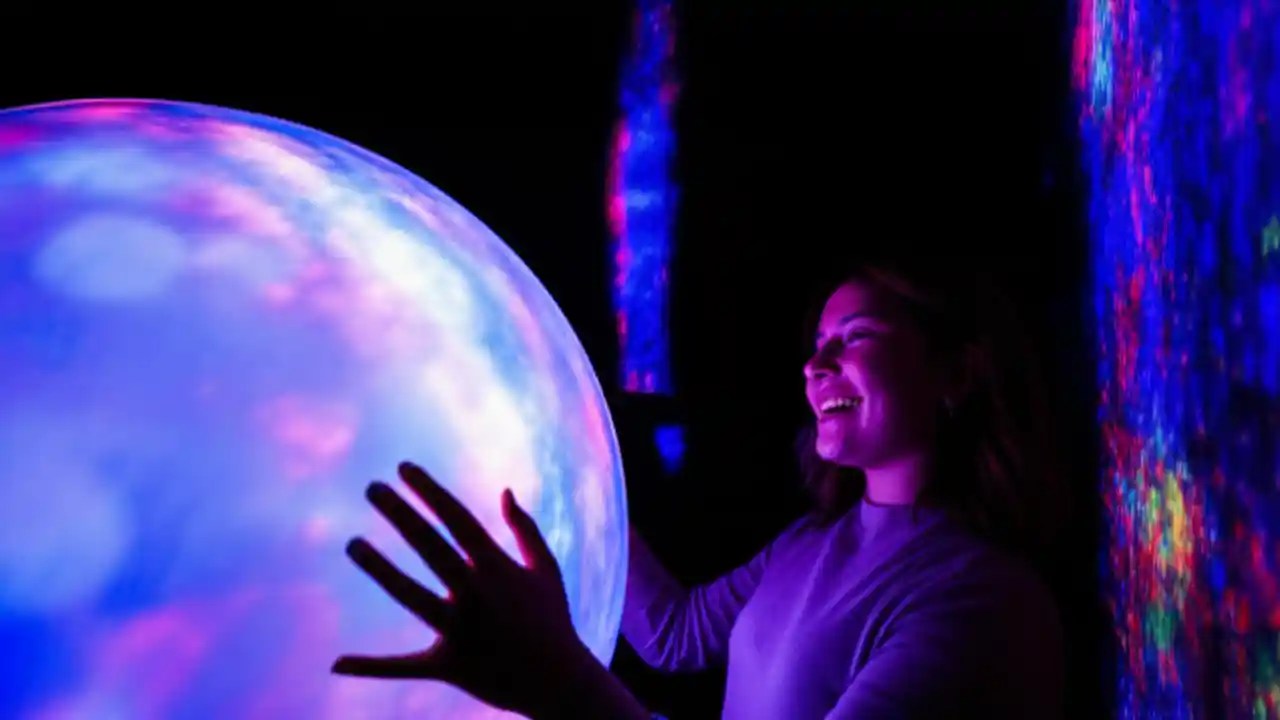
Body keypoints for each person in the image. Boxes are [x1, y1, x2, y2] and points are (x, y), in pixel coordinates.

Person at [330, 257, 1070, 719]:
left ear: (957, 373)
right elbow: (674, 636)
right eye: (816, 348)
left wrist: (557, 678)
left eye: (857, 337)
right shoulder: (809, 545)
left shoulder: (983, 600)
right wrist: (562, 472)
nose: (817, 368)